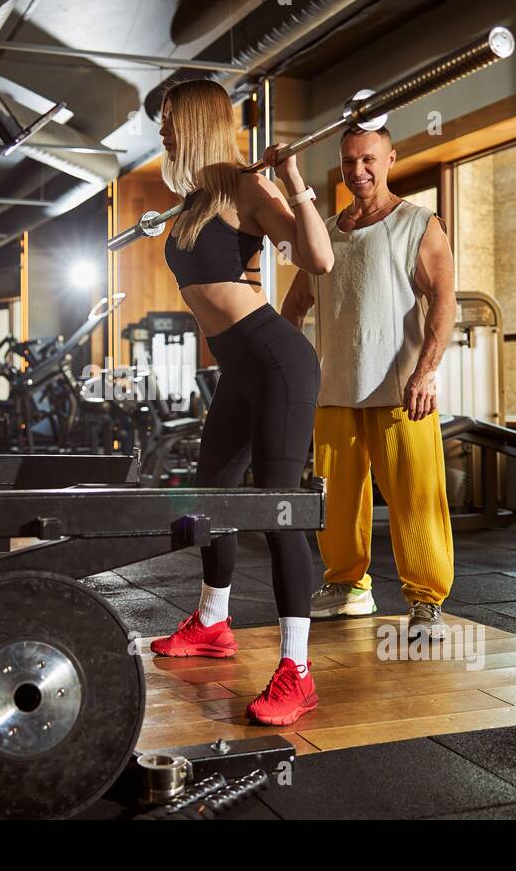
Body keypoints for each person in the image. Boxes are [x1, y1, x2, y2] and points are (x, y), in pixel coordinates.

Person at [148, 79, 333, 726]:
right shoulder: (199, 198)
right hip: (238, 367)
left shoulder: (248, 185)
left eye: (169, 119)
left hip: (278, 361)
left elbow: (318, 256)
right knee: (211, 499)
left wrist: (294, 181)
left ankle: (297, 670)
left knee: (278, 509)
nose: (162, 131)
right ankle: (213, 622)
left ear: (197, 120)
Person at [281, 125, 456, 640]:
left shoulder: (418, 224)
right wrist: (287, 374)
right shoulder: (327, 231)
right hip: (333, 390)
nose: (358, 171)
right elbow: (293, 307)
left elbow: (445, 301)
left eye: (368, 159)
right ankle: (348, 586)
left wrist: (426, 372)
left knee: (416, 498)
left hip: (402, 391)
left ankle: (426, 600)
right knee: (335, 501)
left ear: (391, 157)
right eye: (348, 161)